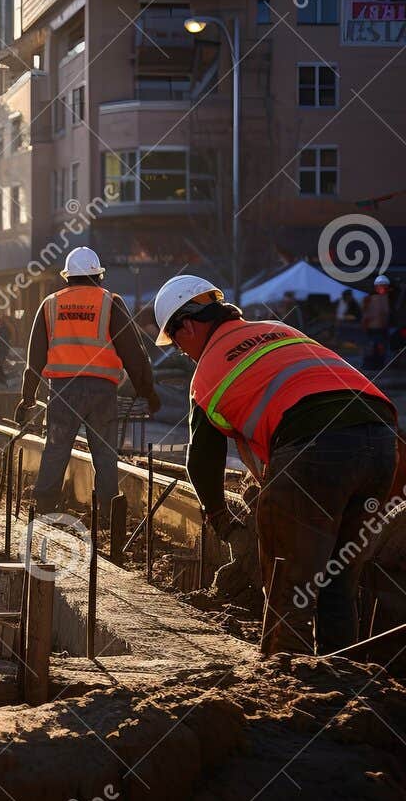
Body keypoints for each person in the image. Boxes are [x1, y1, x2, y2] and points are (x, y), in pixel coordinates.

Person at [154, 274, 397, 655]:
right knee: (338, 580)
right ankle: (340, 686)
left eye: (178, 342)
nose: (183, 353)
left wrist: (221, 519)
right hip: (381, 439)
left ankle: (285, 688)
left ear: (188, 325)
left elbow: (201, 461)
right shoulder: (277, 329)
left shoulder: (207, 374)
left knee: (290, 591)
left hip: (314, 450)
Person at [16, 247, 158, 517]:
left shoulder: (50, 304)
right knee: (104, 453)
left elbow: (34, 359)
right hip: (102, 390)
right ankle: (107, 511)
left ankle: (45, 508)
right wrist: (147, 390)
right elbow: (133, 351)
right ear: (99, 275)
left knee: (56, 448)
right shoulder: (110, 302)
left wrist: (27, 398)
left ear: (67, 277)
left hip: (62, 391)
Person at [362, 275, 393, 370]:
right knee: (374, 347)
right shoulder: (371, 298)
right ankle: (373, 364)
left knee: (379, 347)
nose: (382, 288)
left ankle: (377, 364)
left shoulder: (385, 298)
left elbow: (385, 314)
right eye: (380, 286)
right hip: (374, 328)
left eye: (384, 286)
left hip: (380, 328)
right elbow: (367, 314)